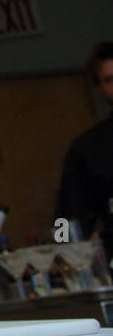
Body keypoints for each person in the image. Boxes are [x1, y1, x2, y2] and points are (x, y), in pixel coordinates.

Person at [56, 42, 113, 254]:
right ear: (100, 88)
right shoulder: (88, 148)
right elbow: (66, 215)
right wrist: (60, 251)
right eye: (110, 80)